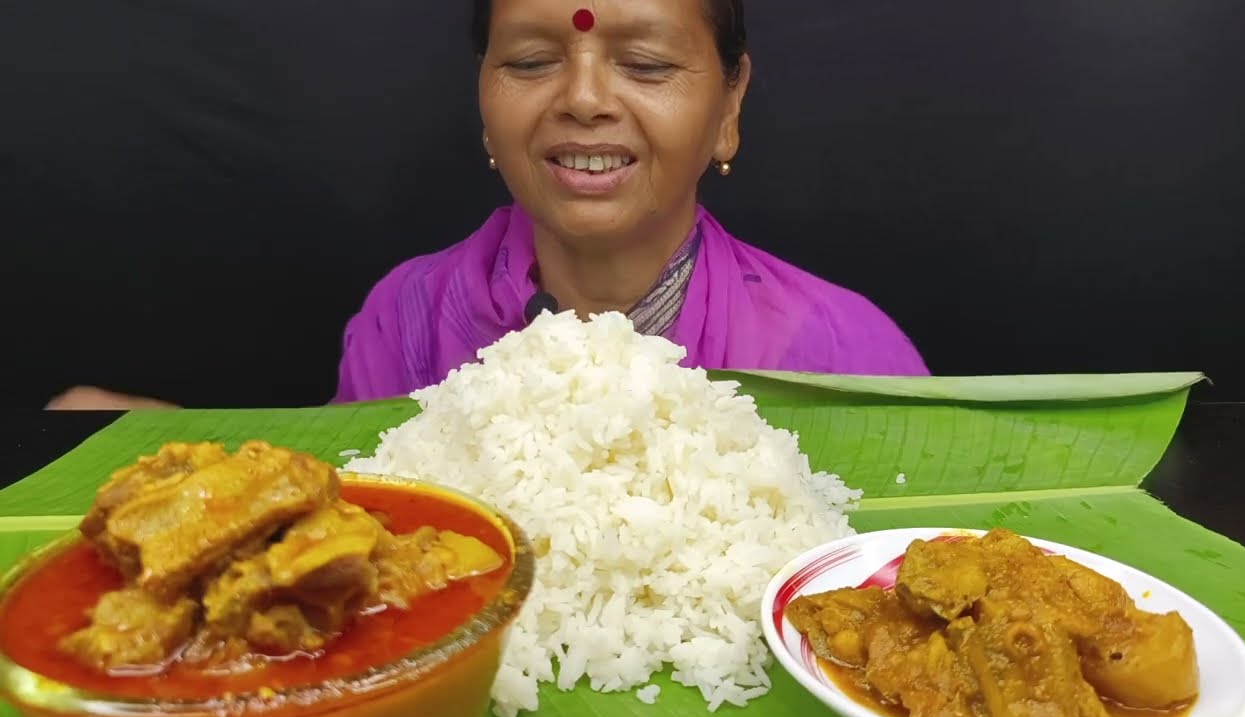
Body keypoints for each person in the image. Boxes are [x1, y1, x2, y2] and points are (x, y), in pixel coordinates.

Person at [48, 0, 927, 410]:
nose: (584, 99)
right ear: (483, 101)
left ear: (729, 103)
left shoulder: (849, 354)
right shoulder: (405, 320)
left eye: (647, 65)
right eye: (531, 62)